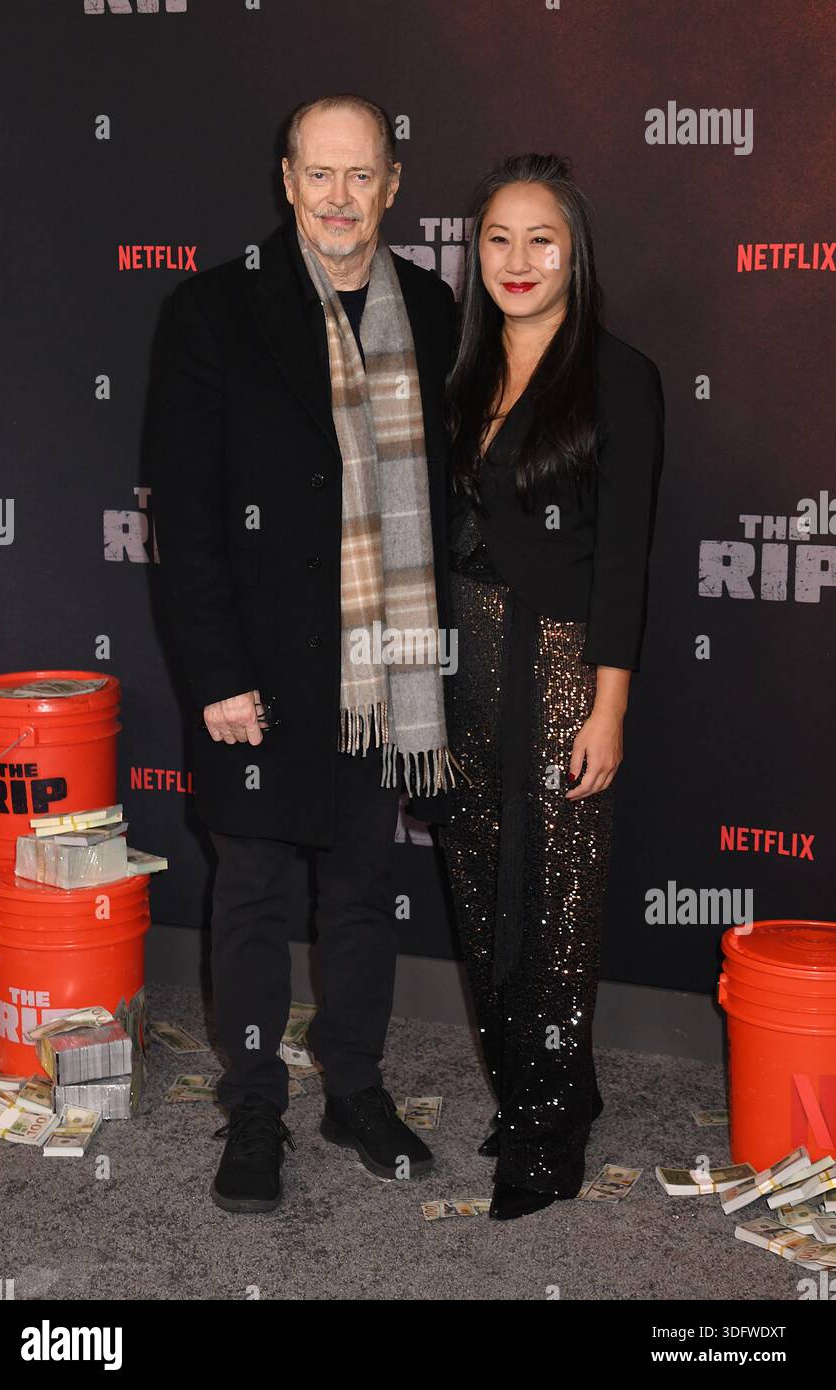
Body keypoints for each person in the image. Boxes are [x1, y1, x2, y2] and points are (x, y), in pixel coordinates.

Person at [148, 93, 458, 1213]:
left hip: (387, 664)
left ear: (391, 183)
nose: (338, 198)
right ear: (286, 181)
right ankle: (256, 1107)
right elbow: (182, 515)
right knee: (254, 891)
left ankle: (356, 1089)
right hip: (262, 671)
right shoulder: (213, 310)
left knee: (365, 888)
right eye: (317, 175)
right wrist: (218, 675)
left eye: (360, 175)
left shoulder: (431, 307)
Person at [440, 153, 664, 1221]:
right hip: (457, 664)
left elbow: (625, 555)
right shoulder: (457, 366)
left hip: (561, 662)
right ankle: (548, 1081)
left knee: (554, 905)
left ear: (574, 253)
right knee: (480, 891)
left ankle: (547, 1132)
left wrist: (607, 703)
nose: (517, 260)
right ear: (472, 249)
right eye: (497, 238)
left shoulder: (618, 375)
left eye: (541, 239)